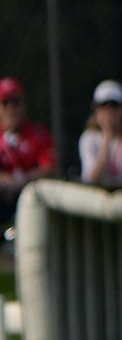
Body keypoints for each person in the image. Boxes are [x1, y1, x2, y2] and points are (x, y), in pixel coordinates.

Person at [1, 76, 59, 240]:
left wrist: (23, 181)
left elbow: (49, 168)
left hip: (30, 195)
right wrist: (5, 181)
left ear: (23, 105)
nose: (11, 108)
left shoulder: (37, 134)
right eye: (5, 103)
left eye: (15, 102)